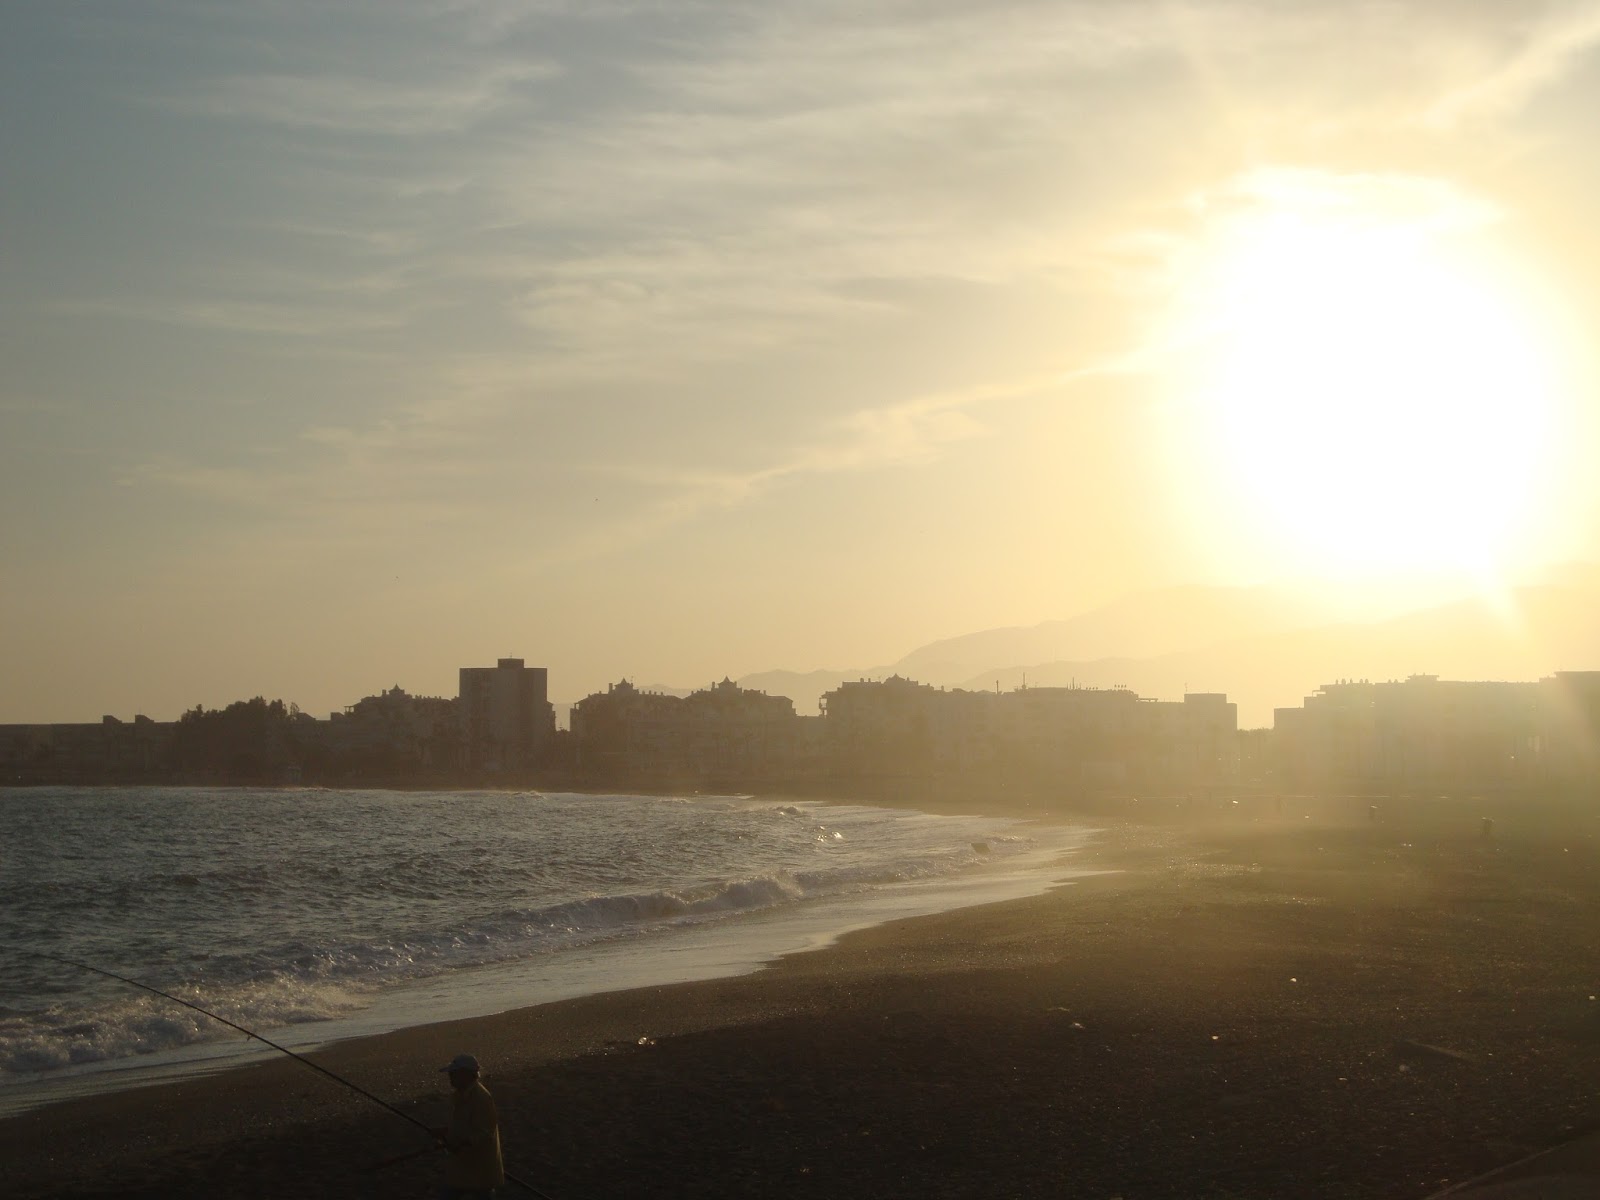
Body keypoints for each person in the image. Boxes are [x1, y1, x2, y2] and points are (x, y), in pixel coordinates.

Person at [433, 1053, 505, 1199]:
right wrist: (445, 1132)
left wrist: (462, 1144)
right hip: (462, 1167)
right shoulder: (459, 1096)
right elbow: (463, 1125)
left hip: (480, 1167)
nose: (450, 1078)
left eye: (454, 1074)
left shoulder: (482, 1098)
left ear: (466, 1074)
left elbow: (485, 1133)